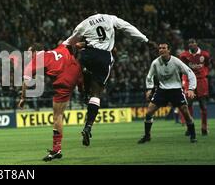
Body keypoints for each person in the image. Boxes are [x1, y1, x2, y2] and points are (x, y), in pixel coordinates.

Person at [63, 12, 151, 146]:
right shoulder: (110, 18)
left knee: (80, 70)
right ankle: (88, 126)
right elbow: (127, 27)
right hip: (104, 57)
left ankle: (84, 90)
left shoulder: (84, 23)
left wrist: (59, 49)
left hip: (87, 54)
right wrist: (145, 39)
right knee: (97, 93)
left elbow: (70, 41)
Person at [18, 42, 83, 161]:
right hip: (77, 70)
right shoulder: (59, 48)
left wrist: (23, 97)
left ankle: (56, 149)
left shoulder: (36, 59)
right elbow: (74, 44)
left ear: (35, 52)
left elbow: (26, 81)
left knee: (57, 116)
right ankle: (84, 91)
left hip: (65, 81)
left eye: (29, 53)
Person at [139, 43, 198, 144]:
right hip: (162, 90)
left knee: (185, 112)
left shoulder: (176, 61)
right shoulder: (155, 63)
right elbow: (149, 77)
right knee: (149, 112)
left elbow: (190, 73)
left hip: (176, 90)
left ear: (169, 50)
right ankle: (147, 136)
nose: (161, 50)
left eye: (164, 48)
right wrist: (149, 89)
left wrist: (191, 89)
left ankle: (193, 135)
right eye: (160, 48)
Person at [179, 38, 212, 135]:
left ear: (196, 43)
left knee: (203, 105)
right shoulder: (183, 55)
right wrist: (184, 80)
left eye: (192, 43)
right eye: (189, 43)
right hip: (189, 81)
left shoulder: (205, 54)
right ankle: (190, 127)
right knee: (188, 104)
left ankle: (204, 127)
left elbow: (207, 65)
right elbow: (182, 68)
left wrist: (204, 74)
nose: (190, 44)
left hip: (201, 81)